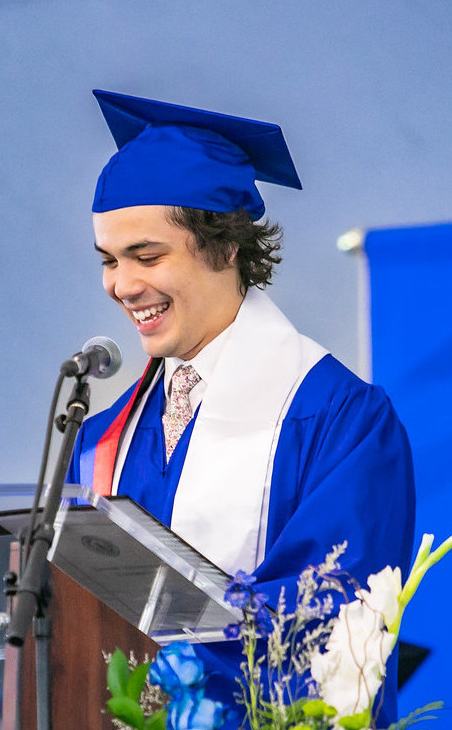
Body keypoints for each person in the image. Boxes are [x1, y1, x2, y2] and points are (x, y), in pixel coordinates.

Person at [69, 90, 416, 623]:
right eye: (109, 260)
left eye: (147, 256)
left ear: (225, 245)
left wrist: (167, 683)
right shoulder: (99, 446)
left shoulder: (339, 421)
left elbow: (337, 616)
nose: (123, 285)